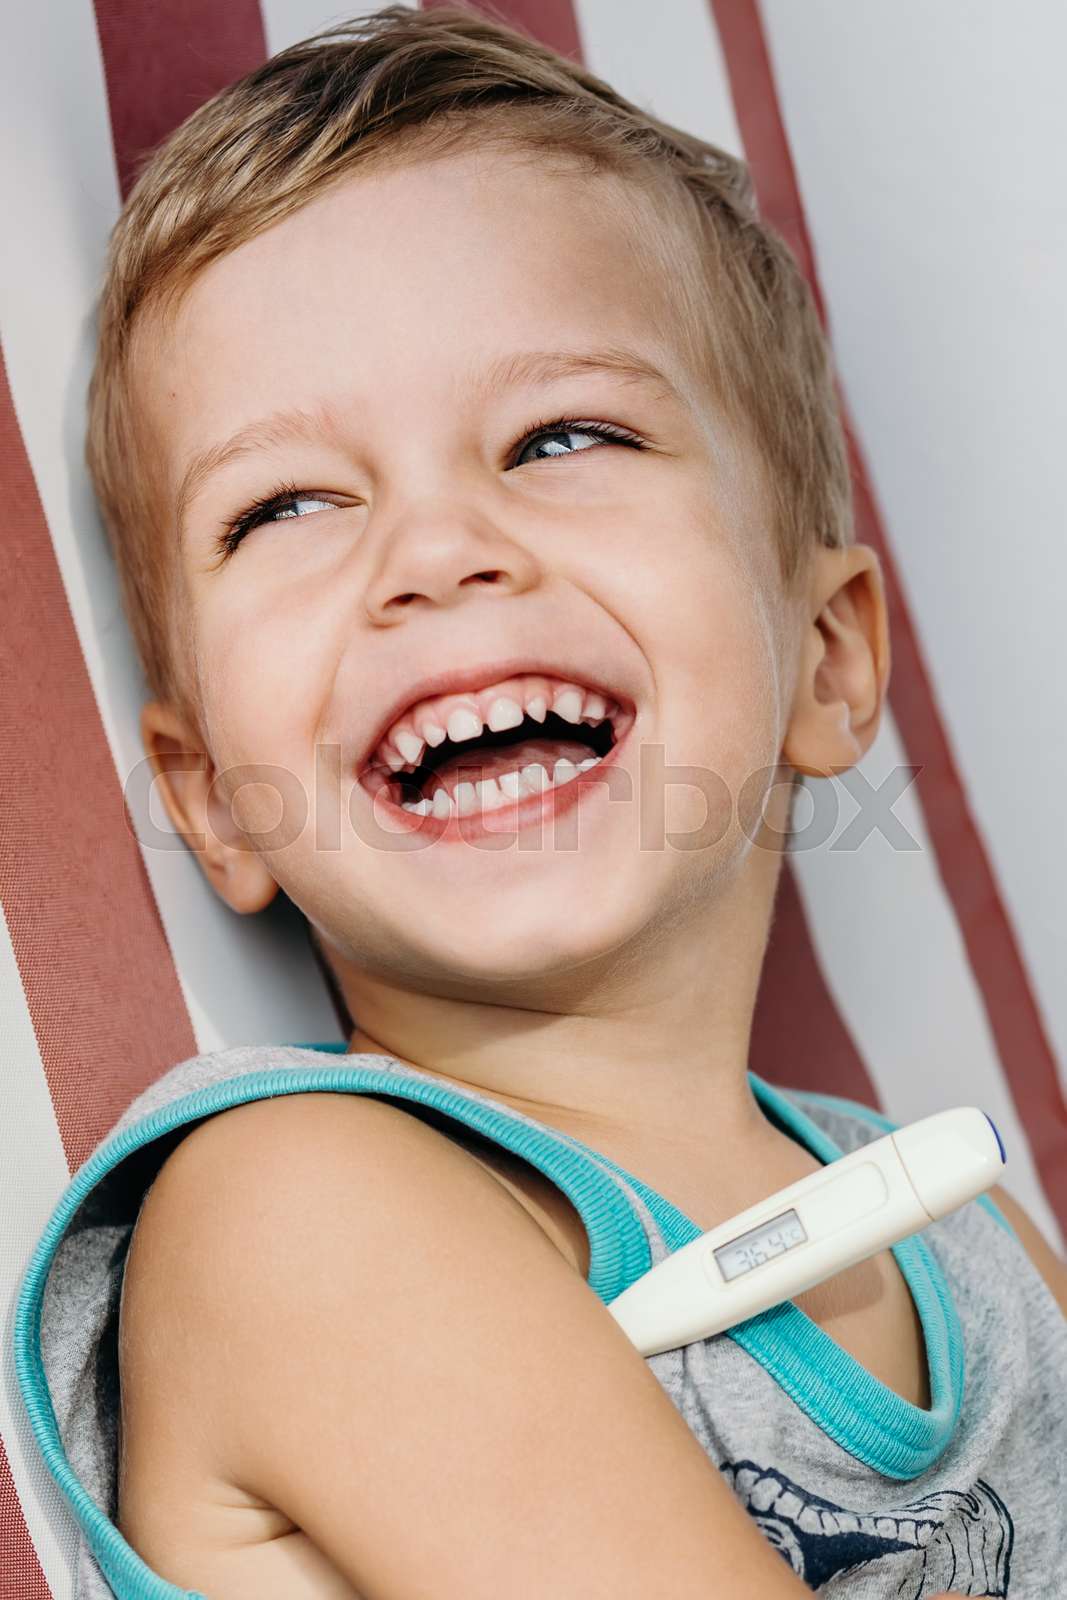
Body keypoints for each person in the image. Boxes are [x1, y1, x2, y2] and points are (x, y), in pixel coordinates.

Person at [14, 7, 1067, 1597]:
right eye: (286, 503)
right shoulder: (304, 1216)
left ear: (831, 661)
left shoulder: (981, 1250)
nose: (437, 553)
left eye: (562, 434)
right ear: (208, 800)